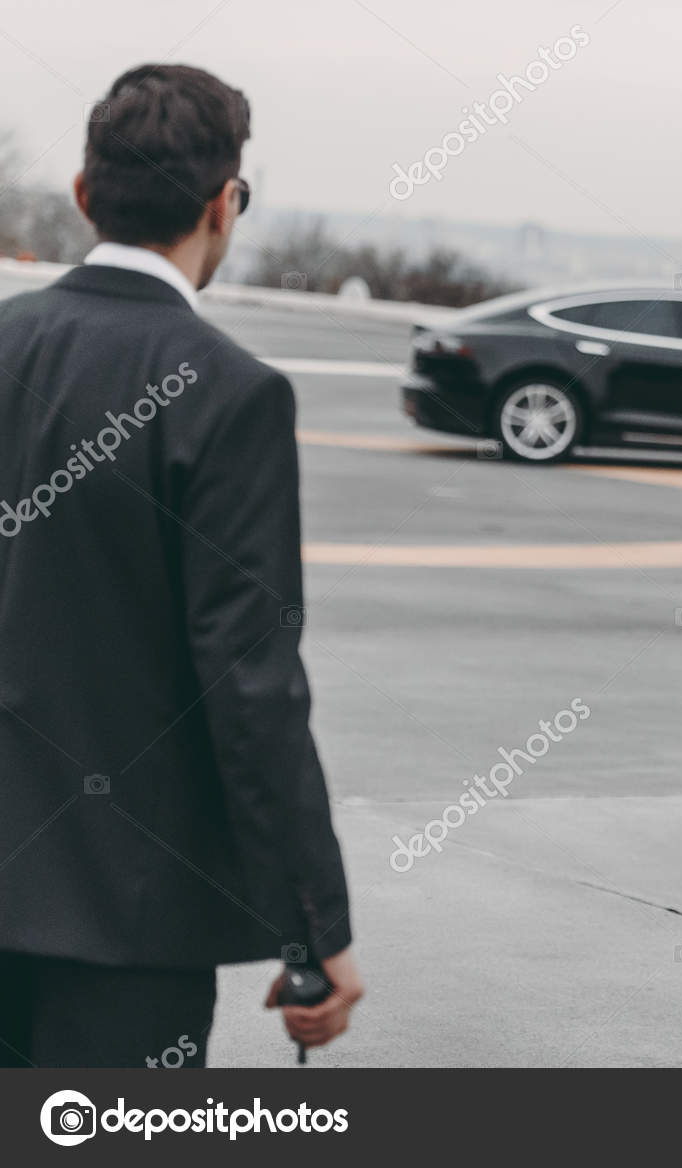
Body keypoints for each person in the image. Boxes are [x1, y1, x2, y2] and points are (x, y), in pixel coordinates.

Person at [0, 63, 361, 1067]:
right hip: (125, 915)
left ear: (82, 195)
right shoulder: (229, 395)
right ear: (222, 203)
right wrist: (312, 928)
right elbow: (250, 685)